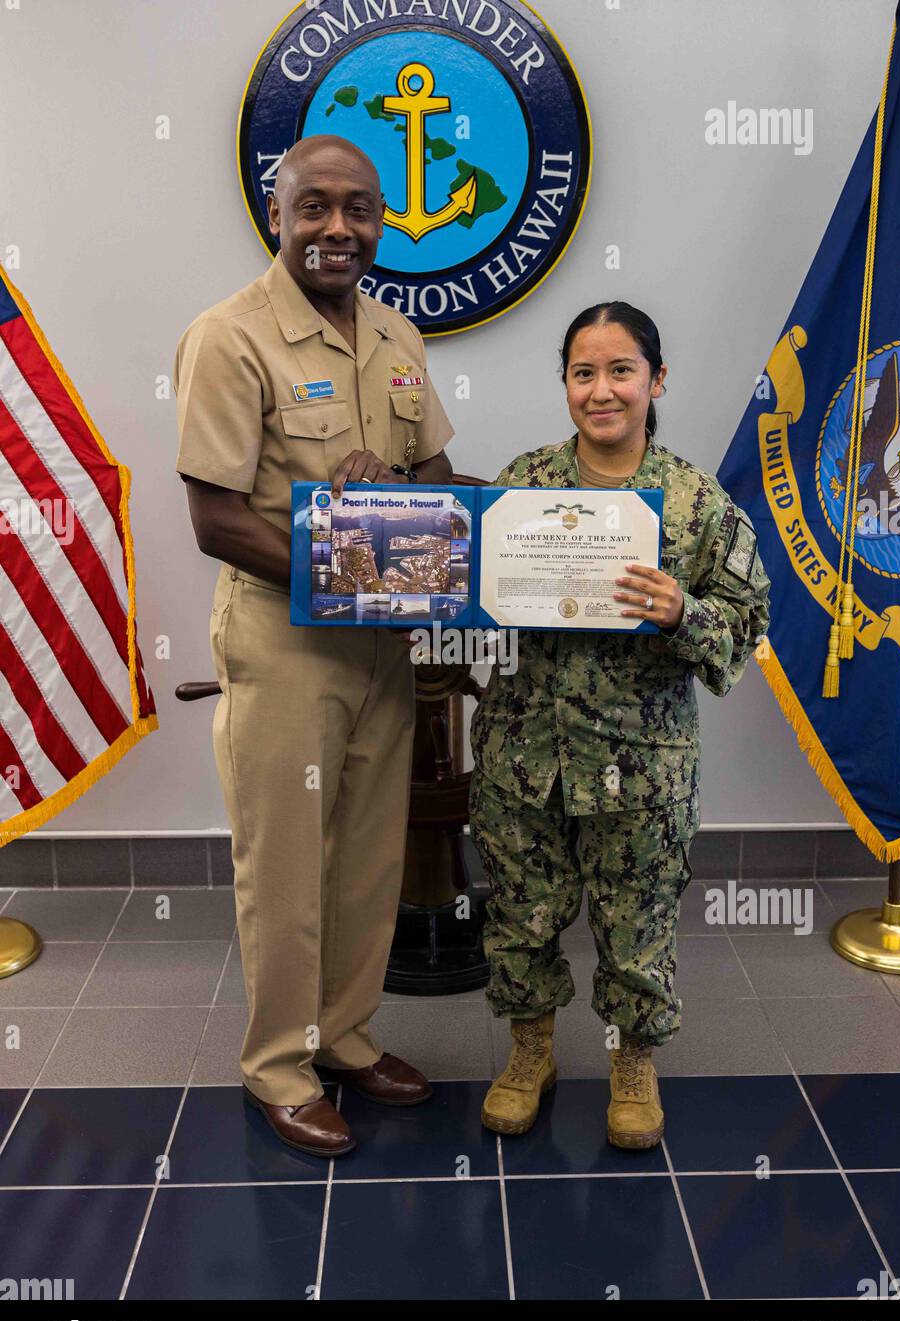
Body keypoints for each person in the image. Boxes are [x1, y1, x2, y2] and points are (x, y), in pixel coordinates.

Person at [174, 136, 455, 1157]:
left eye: (359, 210)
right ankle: (280, 1068)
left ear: (382, 221)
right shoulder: (229, 337)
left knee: (368, 860)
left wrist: (412, 499)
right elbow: (216, 520)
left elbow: (437, 477)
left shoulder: (397, 332)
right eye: (315, 207)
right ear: (278, 215)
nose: (338, 228)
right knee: (285, 866)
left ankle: (343, 1035)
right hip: (285, 641)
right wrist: (361, 566)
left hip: (382, 646)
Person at [469, 301, 771, 1149]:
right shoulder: (522, 487)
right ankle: (530, 1053)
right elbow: (469, 592)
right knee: (521, 915)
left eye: (621, 371)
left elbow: (747, 621)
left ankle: (633, 1062)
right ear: (565, 383)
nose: (601, 391)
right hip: (524, 755)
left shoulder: (696, 503)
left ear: (656, 380)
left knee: (638, 924)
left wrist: (682, 612)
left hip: (641, 766)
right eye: (583, 373)